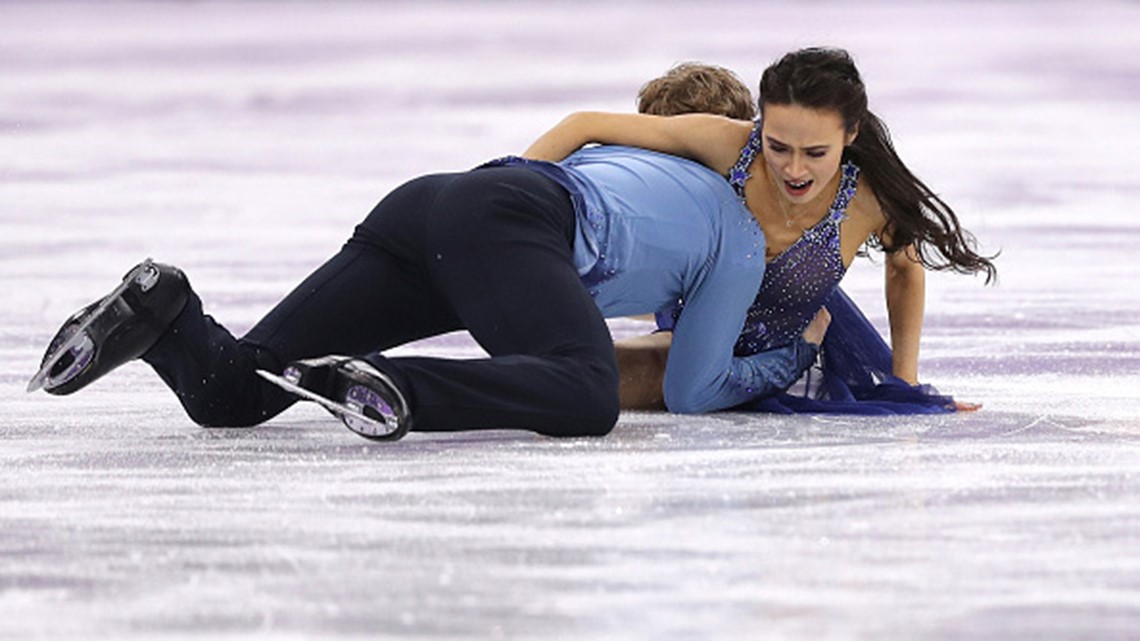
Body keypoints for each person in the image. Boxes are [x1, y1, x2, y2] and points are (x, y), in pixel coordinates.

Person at [29, 63, 832, 441]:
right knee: (587, 395)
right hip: (502, 230)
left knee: (232, 392)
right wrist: (790, 356)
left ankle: (162, 308)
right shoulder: (730, 223)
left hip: (429, 207)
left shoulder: (617, 158)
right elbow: (693, 388)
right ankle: (393, 385)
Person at [530, 48, 996, 413]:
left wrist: (905, 381)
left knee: (592, 386)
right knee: (574, 382)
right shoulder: (729, 146)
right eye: (777, 146)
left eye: (815, 152)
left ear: (849, 135)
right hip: (688, 337)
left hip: (782, 348)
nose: (794, 169)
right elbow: (584, 125)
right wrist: (508, 191)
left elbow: (904, 267)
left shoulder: (873, 201)